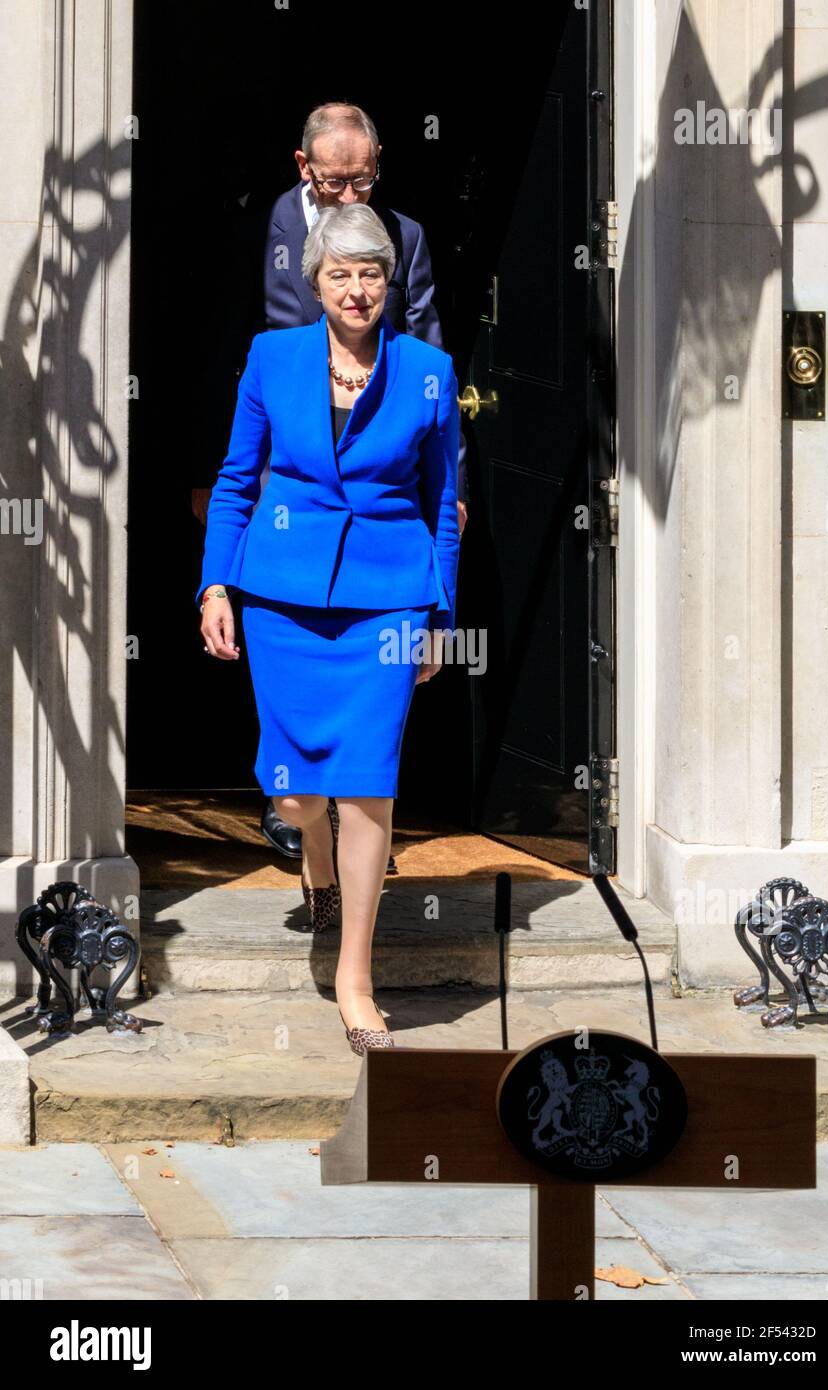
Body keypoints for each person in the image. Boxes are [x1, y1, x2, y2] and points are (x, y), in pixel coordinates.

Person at [197, 204, 459, 1053]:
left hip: (388, 600)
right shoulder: (273, 358)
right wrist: (216, 586)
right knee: (299, 794)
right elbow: (237, 481)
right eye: (340, 274)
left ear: (392, 282)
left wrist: (438, 616)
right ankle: (310, 849)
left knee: (368, 782)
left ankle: (355, 976)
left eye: (371, 273)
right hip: (282, 599)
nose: (357, 289)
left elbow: (443, 505)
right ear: (313, 282)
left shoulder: (427, 370)